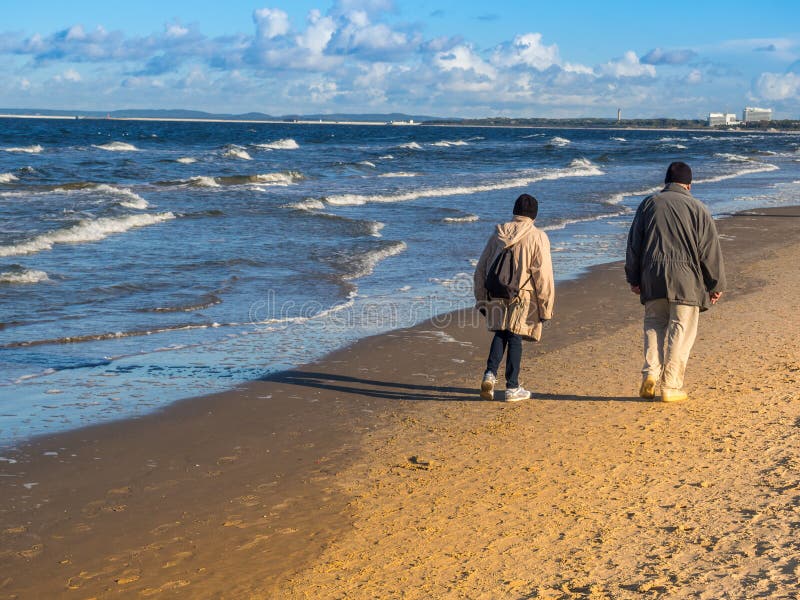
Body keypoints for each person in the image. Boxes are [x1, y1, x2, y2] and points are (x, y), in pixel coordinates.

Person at [625, 161, 726, 402]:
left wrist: (633, 277)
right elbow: (709, 251)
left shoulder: (649, 204)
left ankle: (650, 374)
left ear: (666, 183)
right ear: (689, 186)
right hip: (686, 279)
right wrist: (716, 284)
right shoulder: (698, 208)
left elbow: (634, 245)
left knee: (653, 324)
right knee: (681, 329)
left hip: (653, 275)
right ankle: (670, 385)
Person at [473, 193, 555, 401]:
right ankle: (512, 387)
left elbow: (481, 268)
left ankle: (489, 376)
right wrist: (546, 307)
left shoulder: (498, 234)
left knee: (501, 332)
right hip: (521, 293)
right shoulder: (538, 236)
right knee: (515, 335)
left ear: (515, 212)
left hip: (496, 291)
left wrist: (480, 297)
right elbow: (543, 275)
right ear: (534, 215)